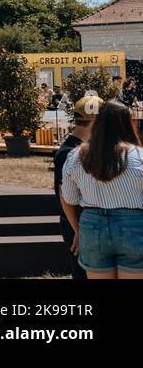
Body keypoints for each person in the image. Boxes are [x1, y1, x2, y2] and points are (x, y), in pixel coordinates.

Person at [59, 99, 143, 279]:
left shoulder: (76, 156)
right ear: (129, 124)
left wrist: (78, 230)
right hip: (134, 226)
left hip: (92, 225)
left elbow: (68, 198)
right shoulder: (139, 156)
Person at [53, 95, 98, 280]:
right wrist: (79, 230)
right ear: (96, 120)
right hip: (75, 222)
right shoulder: (68, 152)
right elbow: (64, 195)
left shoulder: (78, 147)